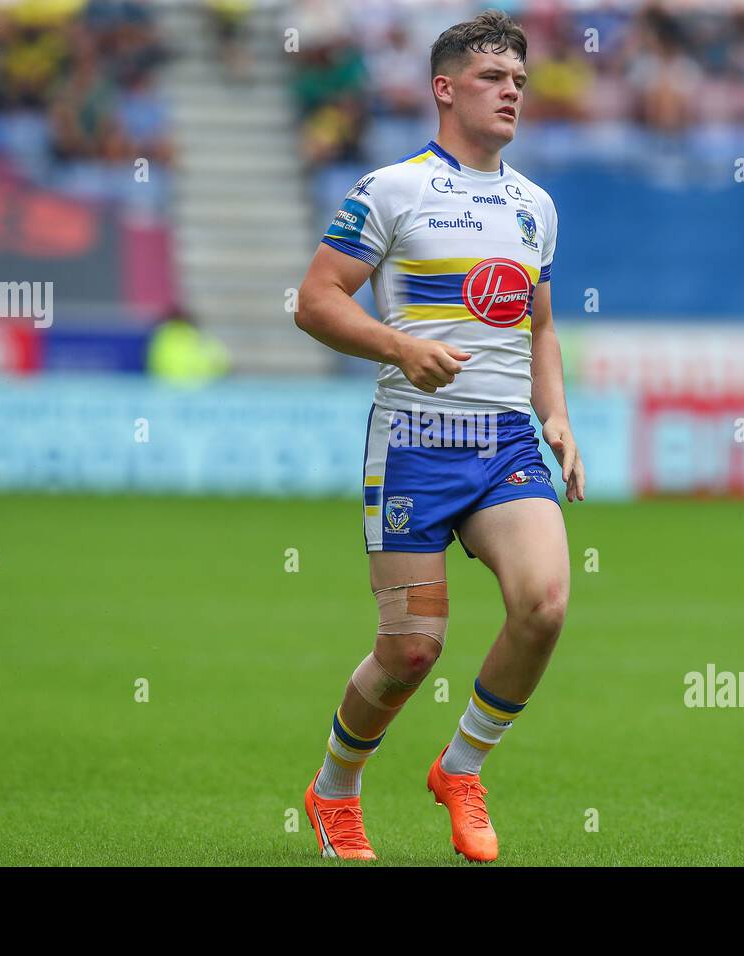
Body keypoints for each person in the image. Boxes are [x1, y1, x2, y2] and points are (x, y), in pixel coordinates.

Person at [293, 9, 585, 862]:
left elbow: (541, 328)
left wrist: (555, 411)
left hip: (504, 445)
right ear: (445, 88)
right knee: (412, 651)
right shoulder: (392, 189)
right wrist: (399, 346)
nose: (512, 95)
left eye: (521, 83)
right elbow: (316, 301)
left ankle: (460, 769)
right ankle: (334, 791)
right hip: (415, 445)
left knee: (545, 604)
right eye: (495, 80)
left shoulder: (535, 206)